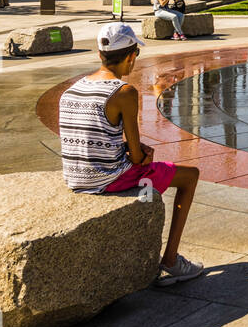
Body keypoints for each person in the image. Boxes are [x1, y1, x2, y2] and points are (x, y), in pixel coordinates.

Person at [58, 23, 204, 286]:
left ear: (100, 54)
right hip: (105, 179)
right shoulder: (124, 92)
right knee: (190, 176)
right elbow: (137, 158)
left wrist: (124, 147)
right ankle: (171, 260)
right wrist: (140, 154)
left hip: (74, 176)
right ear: (131, 56)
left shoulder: (73, 88)